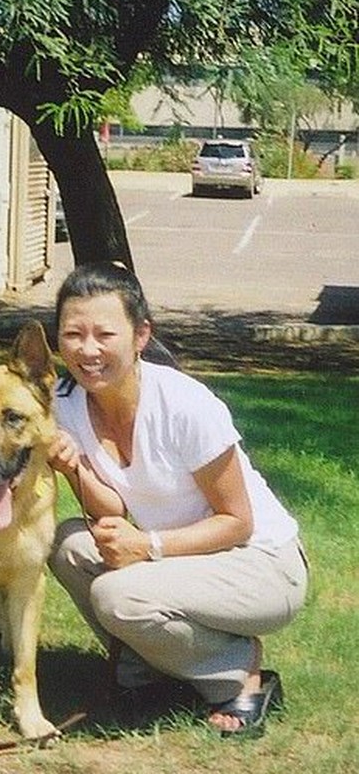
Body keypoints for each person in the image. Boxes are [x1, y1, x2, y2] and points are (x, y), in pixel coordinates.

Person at [45, 262, 308, 738]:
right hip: (186, 560)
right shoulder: (67, 400)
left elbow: (238, 521)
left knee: (115, 594)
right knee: (68, 544)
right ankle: (153, 673)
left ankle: (240, 671)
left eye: (105, 334)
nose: (87, 350)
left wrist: (146, 548)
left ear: (141, 335)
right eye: (72, 334)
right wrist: (73, 466)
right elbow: (110, 510)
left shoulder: (186, 404)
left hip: (263, 565)